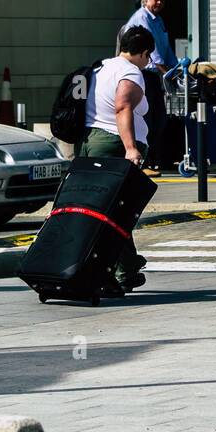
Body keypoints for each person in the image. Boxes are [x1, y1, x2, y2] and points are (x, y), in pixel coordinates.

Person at [79, 25, 154, 292]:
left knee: (106, 210)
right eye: (148, 56)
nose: (148, 62)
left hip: (91, 142)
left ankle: (123, 269)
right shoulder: (130, 72)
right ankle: (118, 270)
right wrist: (131, 147)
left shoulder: (100, 68)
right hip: (114, 144)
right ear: (143, 53)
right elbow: (122, 106)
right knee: (118, 211)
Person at [117, 0, 176, 174]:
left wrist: (176, 67)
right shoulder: (142, 18)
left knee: (159, 117)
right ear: (146, 0)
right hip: (143, 72)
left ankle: (157, 158)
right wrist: (166, 71)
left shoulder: (158, 20)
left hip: (154, 75)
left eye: (162, 0)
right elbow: (153, 51)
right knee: (147, 117)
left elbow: (166, 48)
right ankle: (146, 160)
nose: (159, 3)